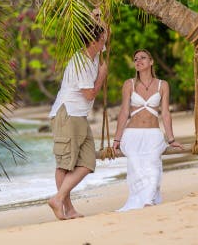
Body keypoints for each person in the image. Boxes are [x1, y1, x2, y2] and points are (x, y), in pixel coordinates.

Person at [47, 22, 108, 220]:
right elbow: (90, 94)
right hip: (68, 114)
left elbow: (104, 33)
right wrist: (102, 76)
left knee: (88, 162)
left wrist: (98, 16)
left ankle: (59, 199)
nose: (104, 41)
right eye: (102, 39)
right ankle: (65, 206)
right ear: (93, 42)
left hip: (78, 115)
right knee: (65, 164)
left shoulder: (95, 53)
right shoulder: (81, 61)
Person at [112, 49, 184, 211]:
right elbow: (124, 112)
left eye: (143, 58)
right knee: (136, 166)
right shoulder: (129, 84)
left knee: (152, 165)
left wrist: (171, 139)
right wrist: (116, 139)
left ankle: (148, 200)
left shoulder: (162, 85)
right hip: (132, 134)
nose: (138, 61)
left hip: (153, 134)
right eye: (135, 59)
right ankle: (141, 200)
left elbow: (165, 113)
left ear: (151, 62)